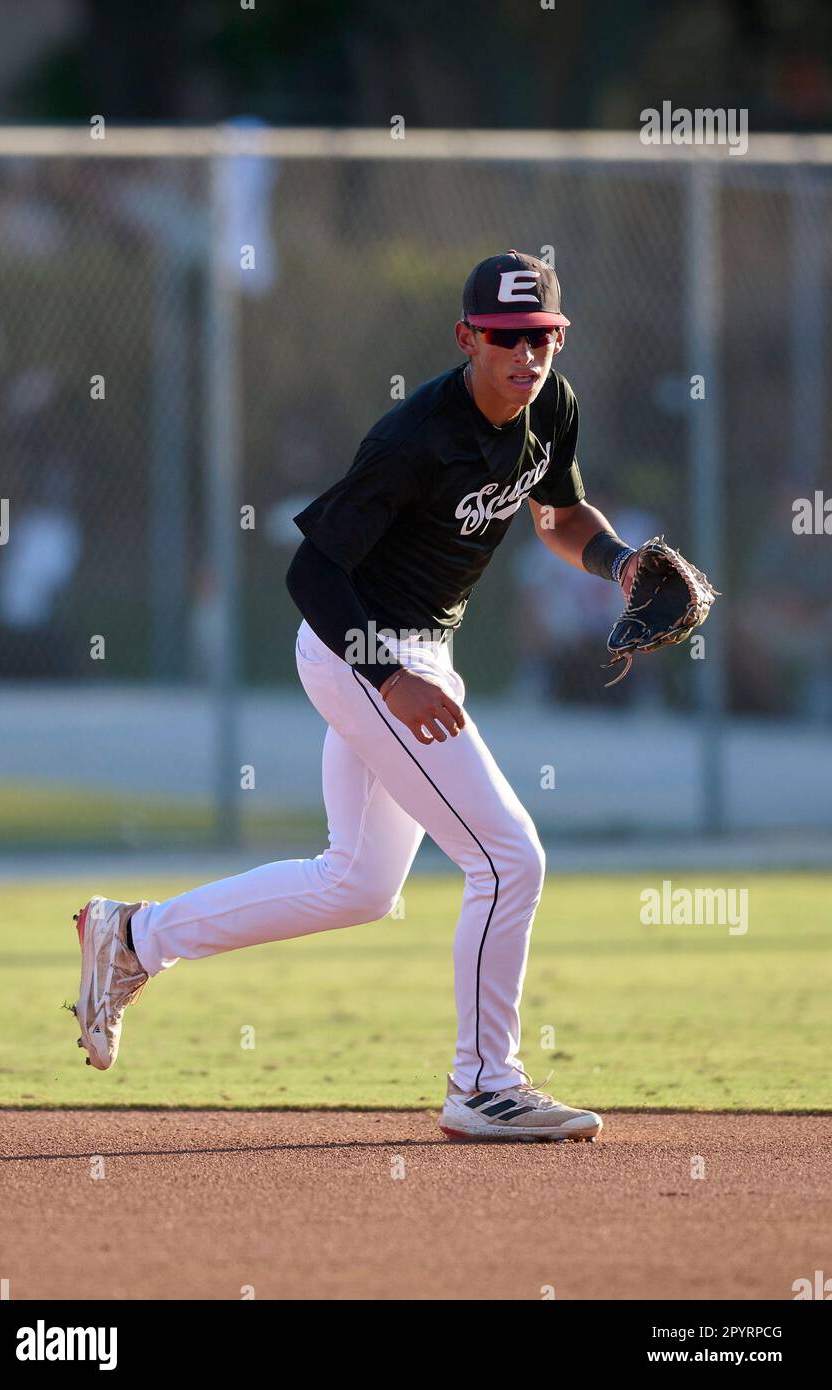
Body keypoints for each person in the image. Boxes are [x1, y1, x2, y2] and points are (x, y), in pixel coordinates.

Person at [71, 250, 644, 1144]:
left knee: (359, 884)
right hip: (360, 652)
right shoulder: (415, 437)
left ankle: (134, 938)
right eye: (506, 338)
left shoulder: (551, 407)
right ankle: (484, 1084)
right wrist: (390, 676)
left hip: (419, 653)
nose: (526, 356)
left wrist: (621, 563)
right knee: (509, 858)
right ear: (468, 338)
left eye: (542, 338)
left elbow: (560, 516)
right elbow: (313, 572)